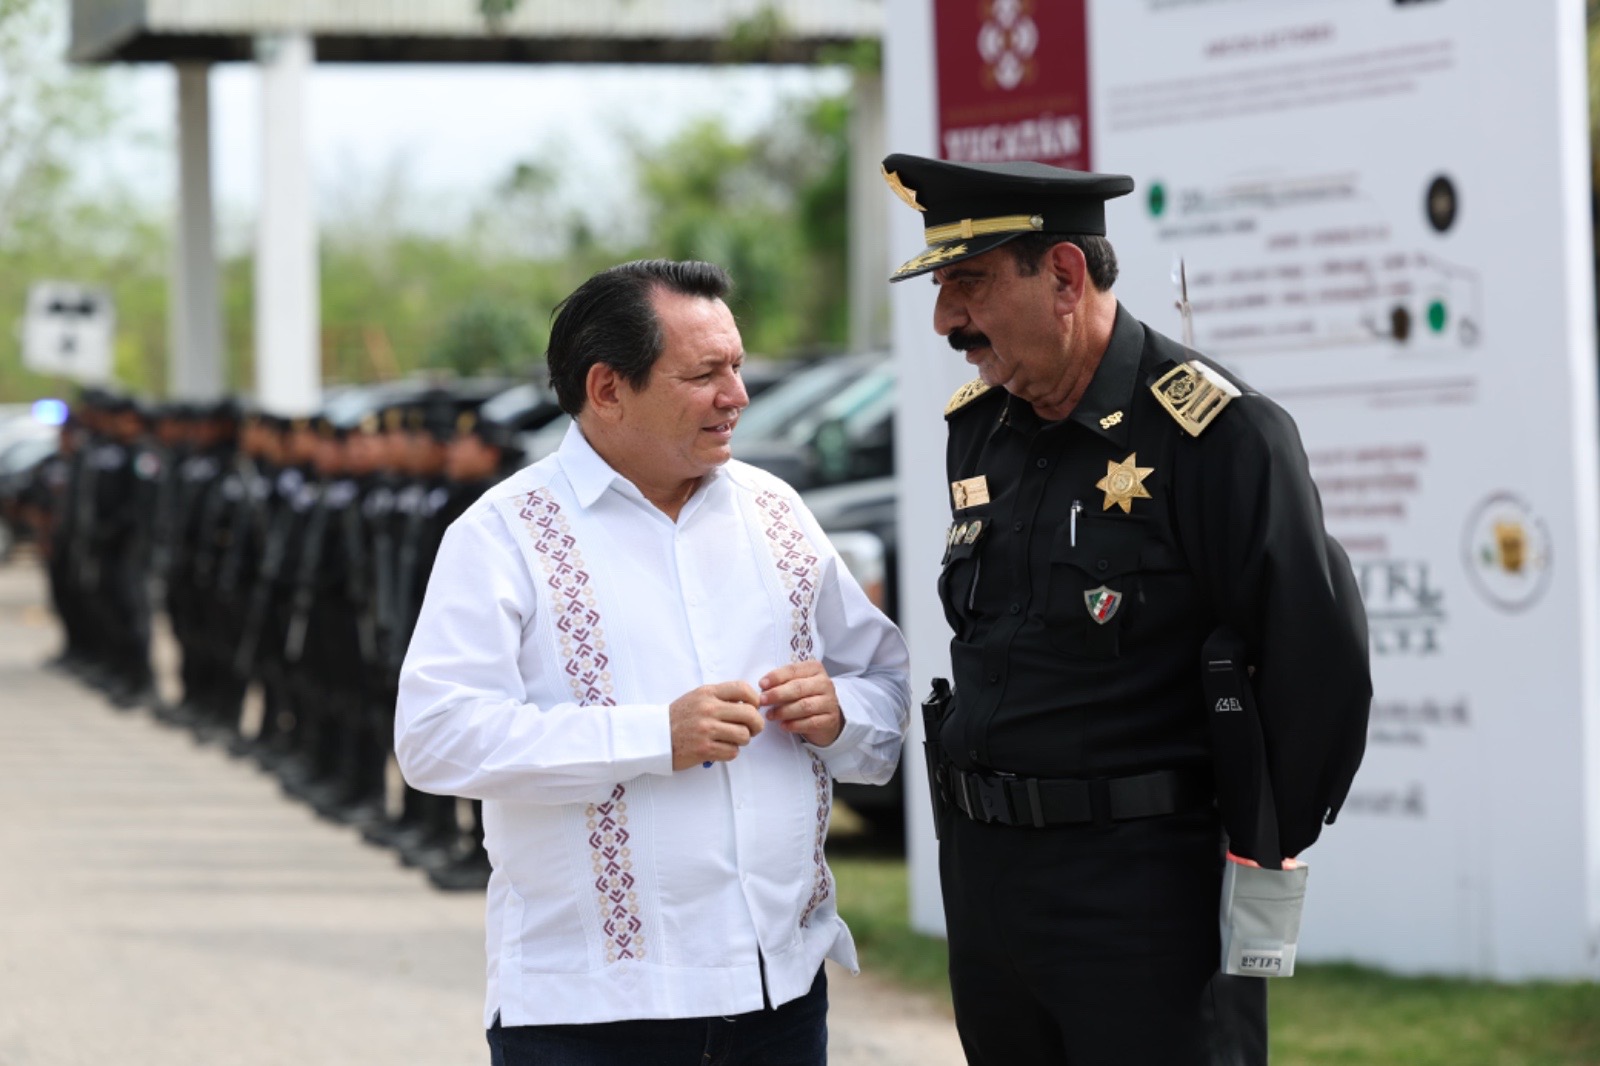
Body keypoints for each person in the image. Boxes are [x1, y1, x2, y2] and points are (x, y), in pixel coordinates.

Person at [880, 153, 1371, 1064]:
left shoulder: (1220, 436)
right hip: (989, 880)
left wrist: (1260, 842)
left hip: (1143, 895)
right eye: (942, 288)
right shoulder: (980, 427)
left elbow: (1317, 662)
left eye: (970, 283)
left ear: (1064, 275)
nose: (948, 319)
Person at [395, 258, 911, 1065]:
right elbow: (434, 736)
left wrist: (843, 713)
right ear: (607, 388)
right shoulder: (504, 535)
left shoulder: (776, 513)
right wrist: (650, 736)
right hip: (590, 1008)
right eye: (705, 373)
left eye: (737, 367)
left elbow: (885, 685)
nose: (737, 395)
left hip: (777, 995)